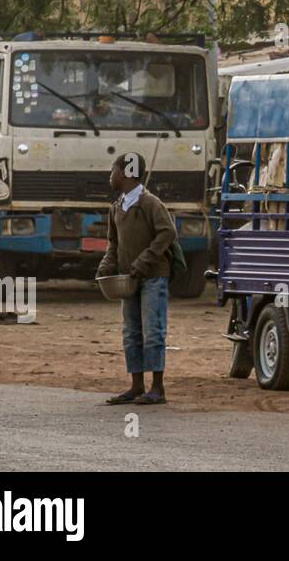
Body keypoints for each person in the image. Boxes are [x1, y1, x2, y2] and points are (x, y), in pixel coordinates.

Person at [98, 152, 178, 405]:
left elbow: (167, 233)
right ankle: (136, 386)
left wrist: (144, 261)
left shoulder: (150, 203)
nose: (111, 176)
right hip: (128, 279)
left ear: (127, 173)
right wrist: (106, 266)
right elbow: (113, 244)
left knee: (153, 331)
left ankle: (157, 388)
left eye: (114, 170)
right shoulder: (117, 206)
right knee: (131, 332)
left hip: (153, 277)